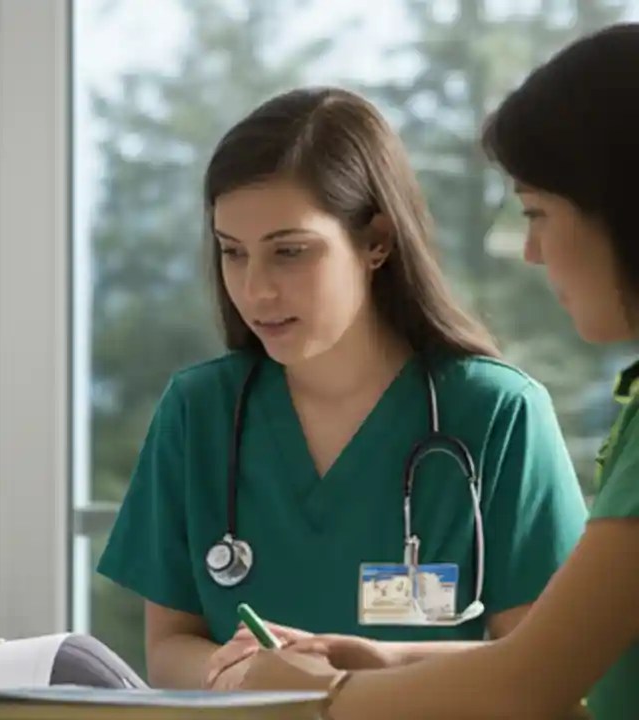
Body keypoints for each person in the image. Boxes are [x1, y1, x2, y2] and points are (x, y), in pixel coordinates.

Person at [94, 86, 589, 691]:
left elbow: (544, 667)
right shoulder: (199, 413)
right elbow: (171, 644)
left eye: (290, 253)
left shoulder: (497, 415)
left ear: (376, 240)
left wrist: (348, 679)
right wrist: (246, 678)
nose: (256, 290)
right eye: (233, 253)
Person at [236, 23, 639, 720]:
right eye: (232, 252)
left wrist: (323, 698)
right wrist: (390, 658)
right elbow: (568, 654)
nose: (533, 251)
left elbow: (532, 682)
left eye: (537, 213)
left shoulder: (499, 407)